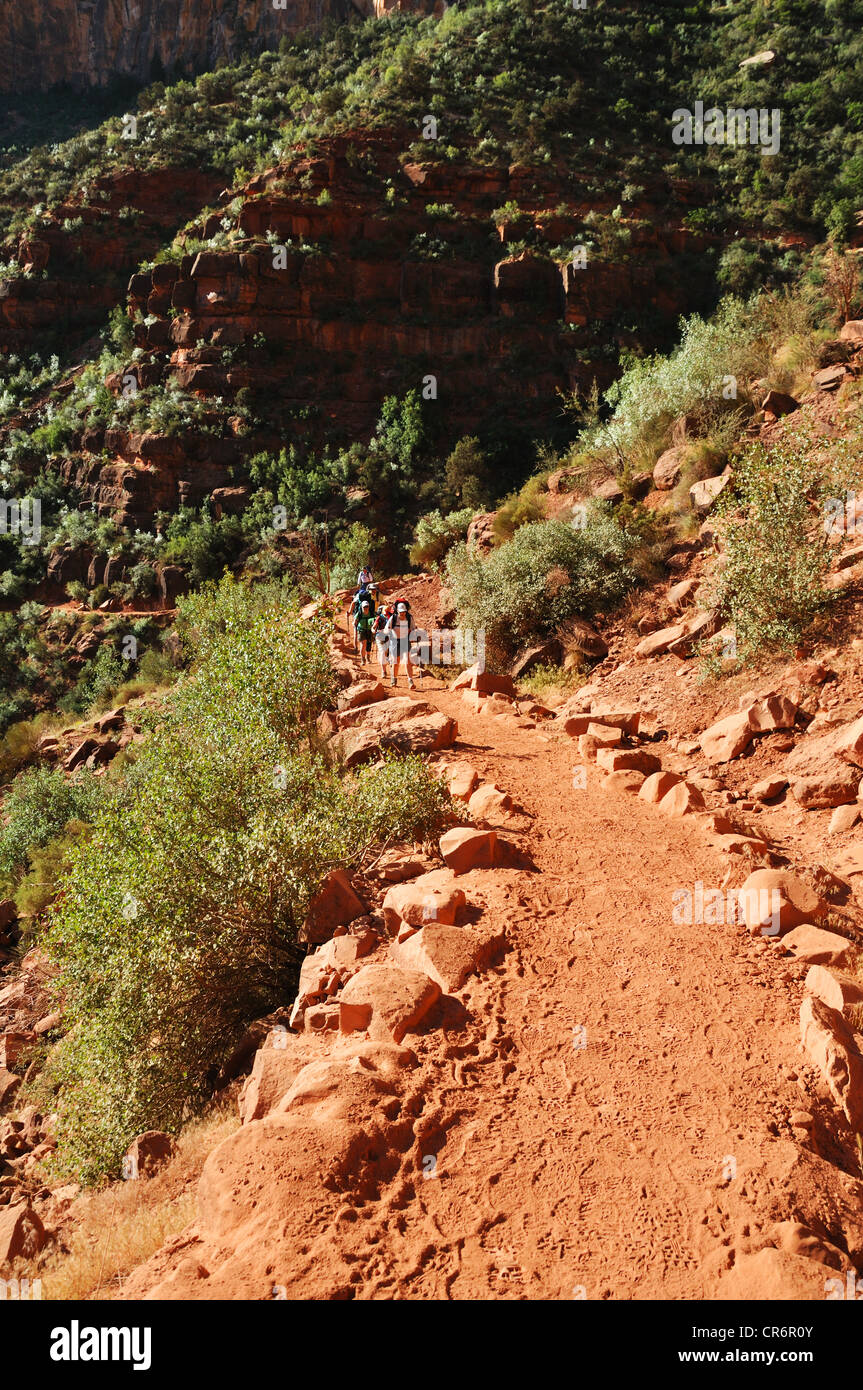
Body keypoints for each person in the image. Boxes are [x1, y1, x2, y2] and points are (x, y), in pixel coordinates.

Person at [386, 599, 415, 689]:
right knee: (396, 662)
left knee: (408, 661)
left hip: (406, 640)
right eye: (401, 612)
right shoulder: (393, 618)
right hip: (395, 641)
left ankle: (410, 681)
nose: (402, 614)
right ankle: (394, 679)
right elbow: (387, 629)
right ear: (397, 611)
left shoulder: (409, 618)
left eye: (404, 612)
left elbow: (413, 629)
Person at [372, 603, 393, 675]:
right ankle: (383, 671)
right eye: (385, 612)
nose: (386, 613)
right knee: (383, 652)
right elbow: (373, 627)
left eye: (387, 612)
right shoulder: (379, 618)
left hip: (389, 637)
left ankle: (388, 662)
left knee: (389, 652)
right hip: (380, 636)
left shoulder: (391, 617)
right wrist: (373, 631)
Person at [354, 594, 375, 665]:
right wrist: (355, 627)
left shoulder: (371, 613)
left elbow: (375, 620)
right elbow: (355, 622)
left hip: (369, 630)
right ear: (362, 607)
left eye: (367, 606)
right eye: (364, 607)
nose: (366, 608)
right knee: (363, 644)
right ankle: (363, 659)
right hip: (361, 630)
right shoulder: (359, 613)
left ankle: (368, 657)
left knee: (369, 644)